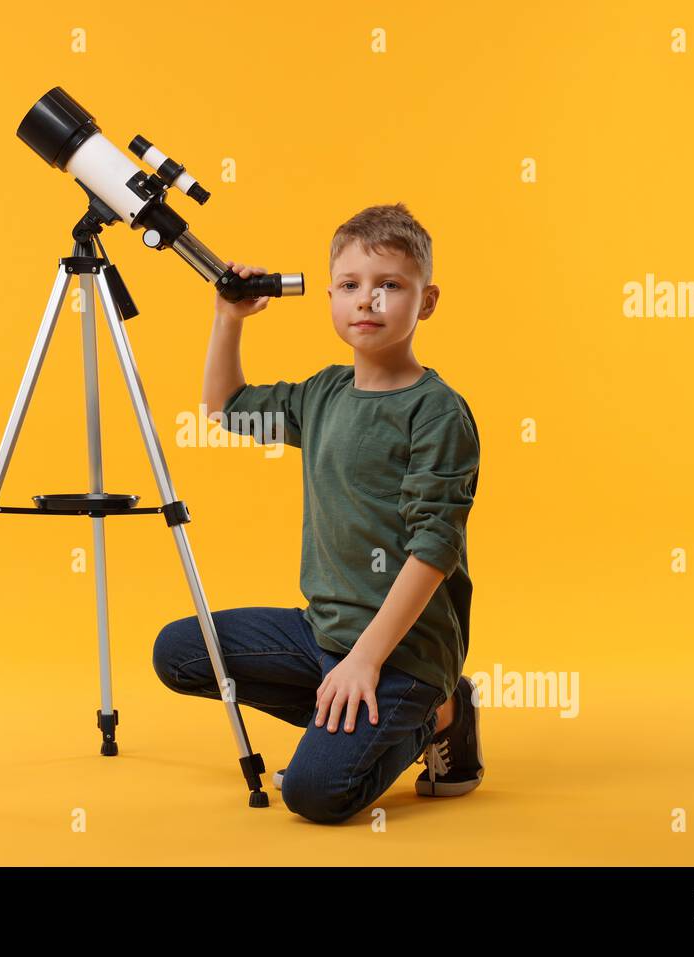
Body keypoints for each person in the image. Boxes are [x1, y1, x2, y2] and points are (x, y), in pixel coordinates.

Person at [153, 203, 484, 824]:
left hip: (402, 651)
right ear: (330, 296)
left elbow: (434, 547)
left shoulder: (437, 412)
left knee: (315, 796)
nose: (368, 301)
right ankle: (348, 715)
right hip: (323, 633)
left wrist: (366, 659)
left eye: (390, 286)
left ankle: (439, 713)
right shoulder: (324, 394)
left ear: (427, 300)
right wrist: (229, 318)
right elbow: (226, 408)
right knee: (179, 651)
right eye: (352, 286)